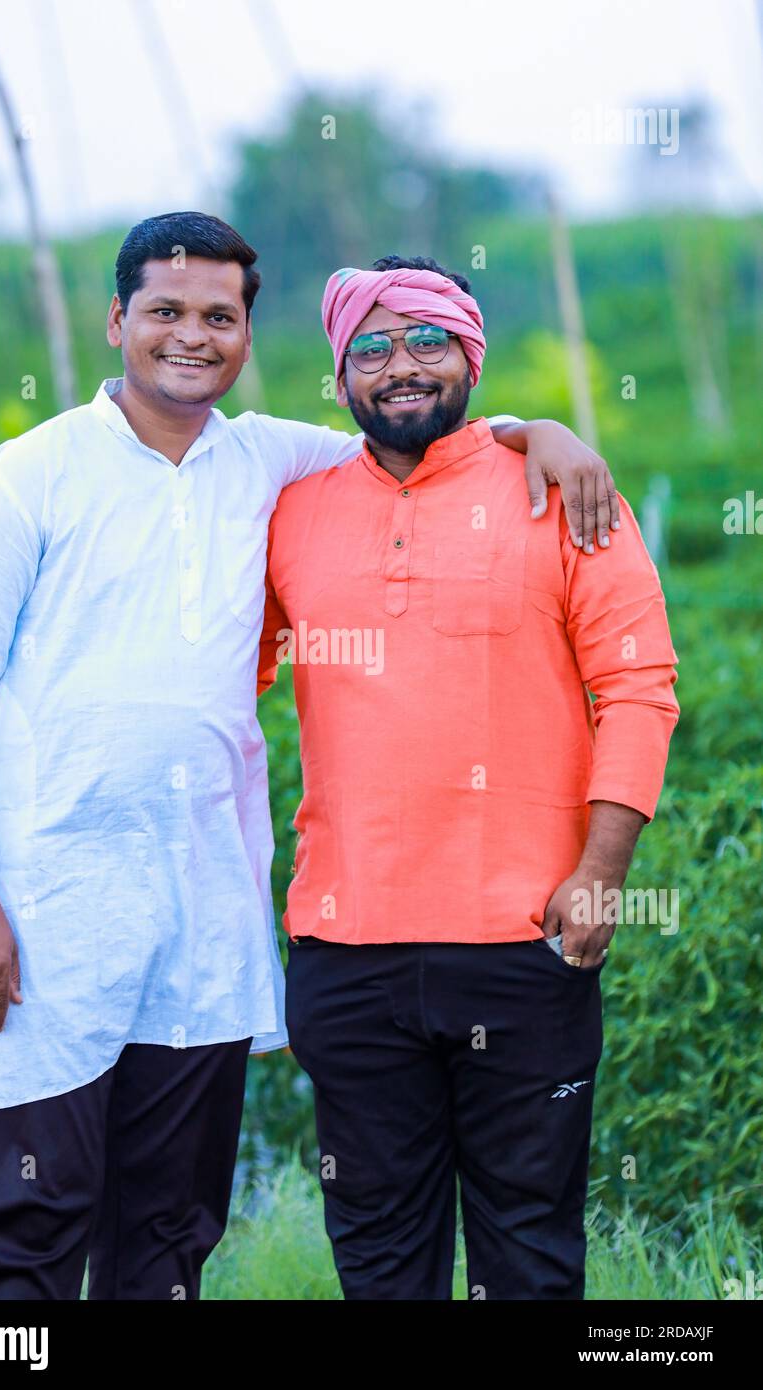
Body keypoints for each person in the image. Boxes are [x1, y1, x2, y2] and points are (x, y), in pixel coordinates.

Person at [0, 212, 617, 1301]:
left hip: (201, 916)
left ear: (245, 333)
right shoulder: (29, 474)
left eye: (219, 316)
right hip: (46, 914)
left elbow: (415, 436)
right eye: (166, 311)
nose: (191, 336)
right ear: (117, 320)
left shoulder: (274, 461)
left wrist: (540, 430)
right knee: (24, 1225)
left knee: (170, 1228)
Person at [259, 255, 680, 1300]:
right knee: (378, 1254)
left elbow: (638, 687)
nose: (400, 364)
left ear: (470, 354)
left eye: (427, 340)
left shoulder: (564, 489)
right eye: (370, 347)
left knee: (528, 1248)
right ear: (339, 373)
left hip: (524, 938)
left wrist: (601, 876)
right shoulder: (290, 512)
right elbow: (213, 678)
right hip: (345, 948)